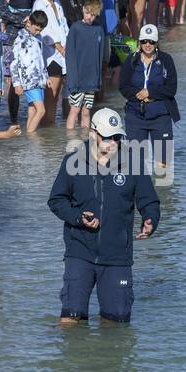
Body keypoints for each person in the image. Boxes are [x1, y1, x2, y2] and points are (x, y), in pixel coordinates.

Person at [48, 107, 159, 325]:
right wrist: (78, 217)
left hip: (117, 256)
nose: (112, 143)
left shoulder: (133, 163)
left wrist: (150, 219)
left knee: (116, 326)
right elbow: (56, 200)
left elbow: (149, 200)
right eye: (107, 137)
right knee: (71, 319)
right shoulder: (73, 161)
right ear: (92, 133)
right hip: (79, 251)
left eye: (117, 137)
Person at [119, 25, 178, 173]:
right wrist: (139, 95)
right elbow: (123, 87)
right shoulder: (131, 60)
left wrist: (150, 93)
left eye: (151, 42)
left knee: (163, 165)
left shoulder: (166, 60)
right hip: (135, 115)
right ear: (139, 42)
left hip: (160, 115)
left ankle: (163, 195)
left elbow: (171, 89)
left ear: (156, 42)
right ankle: (140, 194)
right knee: (136, 163)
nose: (147, 45)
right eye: (144, 41)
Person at [32, 0, 69, 120]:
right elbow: (44, 30)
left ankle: (51, 133)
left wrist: (68, 47)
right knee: (50, 98)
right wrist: (60, 48)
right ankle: (46, 129)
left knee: (56, 98)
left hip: (62, 55)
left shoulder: (57, 3)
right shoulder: (39, 4)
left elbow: (64, 27)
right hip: (50, 56)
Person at [64, 0, 105, 129]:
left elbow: (101, 56)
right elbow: (69, 55)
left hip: (91, 79)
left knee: (86, 112)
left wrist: (98, 80)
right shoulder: (75, 28)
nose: (90, 17)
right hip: (77, 79)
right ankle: (70, 141)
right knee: (74, 110)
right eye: (87, 13)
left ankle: (84, 141)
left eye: (93, 15)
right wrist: (72, 80)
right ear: (83, 9)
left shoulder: (99, 30)